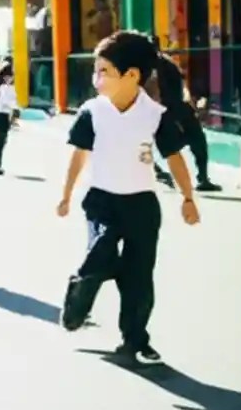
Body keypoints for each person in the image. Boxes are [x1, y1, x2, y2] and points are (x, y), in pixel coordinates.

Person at [57, 31, 201, 366]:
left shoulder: (155, 115)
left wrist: (188, 198)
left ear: (132, 75)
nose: (96, 79)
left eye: (103, 71)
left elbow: (175, 158)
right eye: (96, 70)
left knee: (138, 276)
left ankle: (136, 339)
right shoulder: (92, 111)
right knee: (101, 250)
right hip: (102, 201)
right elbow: (79, 155)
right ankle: (79, 294)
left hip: (141, 206)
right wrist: (65, 195)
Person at [149, 42, 221, 192]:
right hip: (156, 111)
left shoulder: (166, 63)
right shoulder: (141, 68)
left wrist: (190, 103)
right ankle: (157, 172)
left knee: (197, 139)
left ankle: (202, 177)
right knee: (157, 145)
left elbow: (182, 84)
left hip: (176, 106)